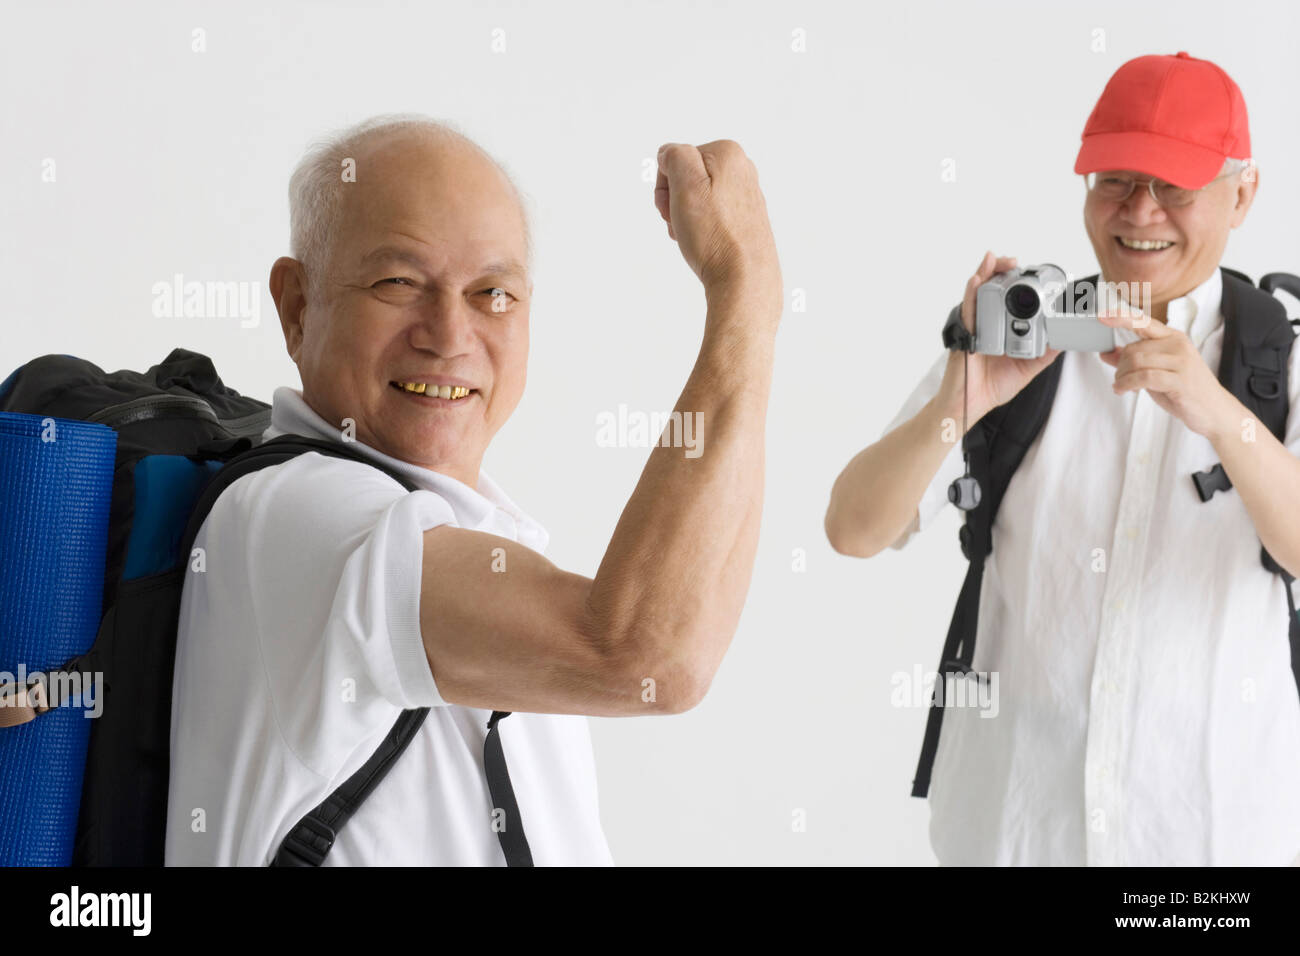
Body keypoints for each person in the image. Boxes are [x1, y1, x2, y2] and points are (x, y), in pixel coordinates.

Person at [164, 115, 782, 865]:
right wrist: (745, 294)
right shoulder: (305, 516)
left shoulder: (479, 540)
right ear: (297, 306)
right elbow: (650, 658)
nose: (450, 333)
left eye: (494, 293)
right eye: (399, 282)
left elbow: (688, 626)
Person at [825, 52, 1300, 865]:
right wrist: (961, 400)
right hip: (1015, 834)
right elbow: (853, 529)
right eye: (1115, 179)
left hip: (1208, 850)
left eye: (1174, 185)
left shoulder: (1281, 361)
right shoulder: (1022, 330)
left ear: (1243, 193)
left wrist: (1220, 418)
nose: (1140, 211)